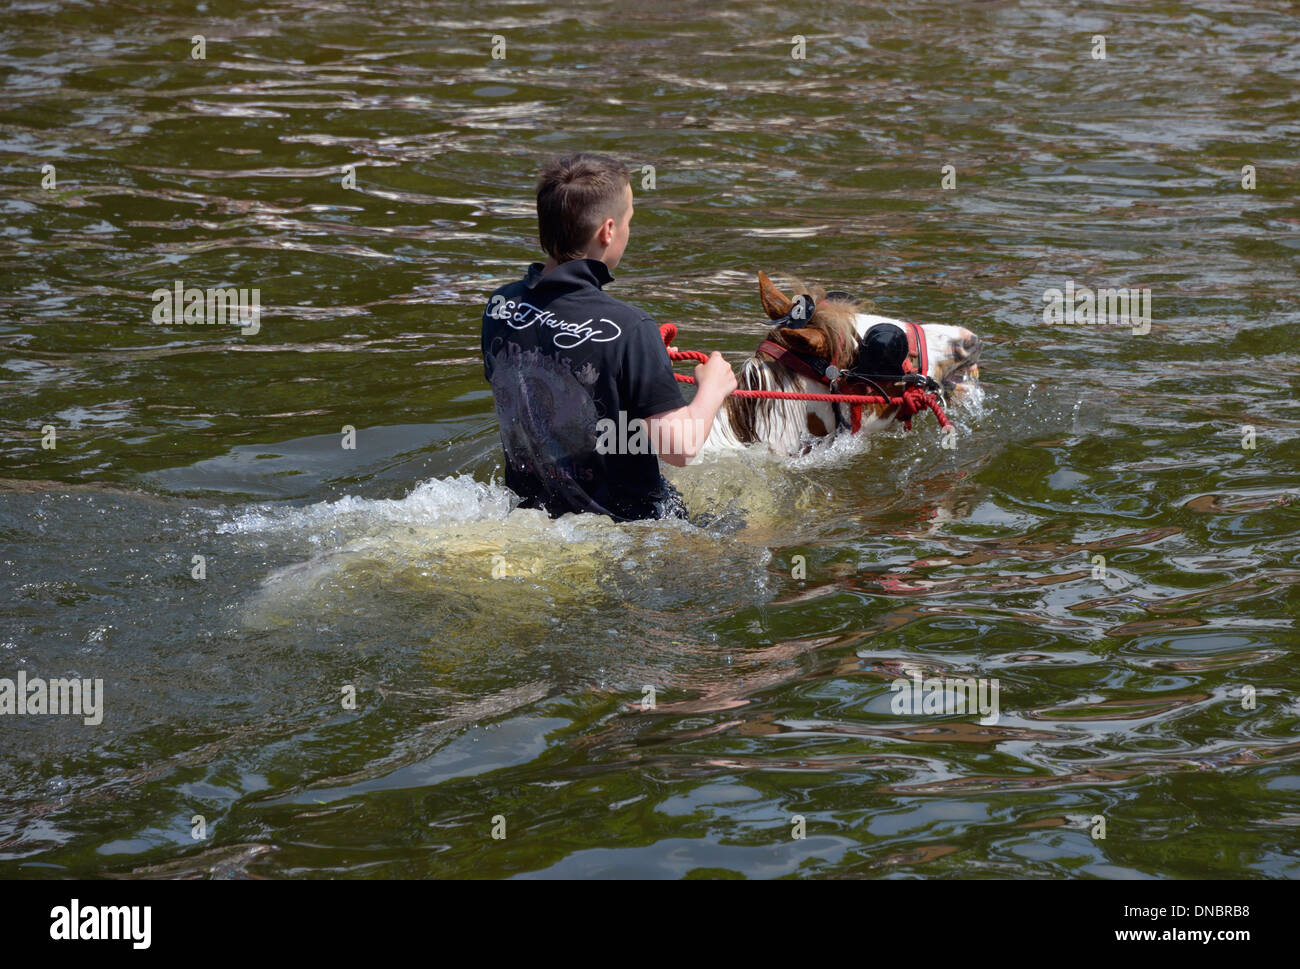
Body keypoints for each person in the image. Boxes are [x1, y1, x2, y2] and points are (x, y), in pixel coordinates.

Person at [480, 153, 736, 521]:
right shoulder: (631, 327)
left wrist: (637, 372)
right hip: (626, 530)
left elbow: (538, 373)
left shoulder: (501, 304)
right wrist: (712, 388)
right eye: (630, 219)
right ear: (608, 230)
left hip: (531, 516)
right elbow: (680, 448)